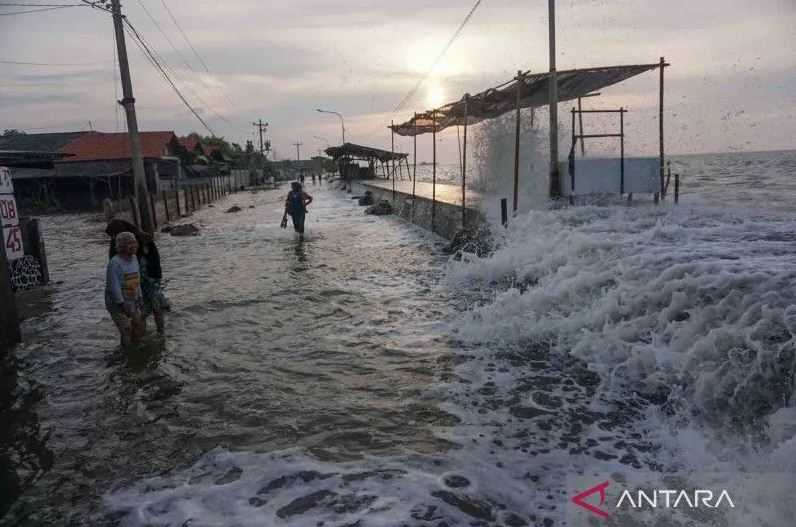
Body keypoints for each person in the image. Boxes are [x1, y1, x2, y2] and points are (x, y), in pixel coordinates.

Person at [106, 219, 166, 336]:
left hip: (148, 277)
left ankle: (159, 333)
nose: (113, 238)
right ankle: (141, 336)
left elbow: (154, 259)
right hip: (133, 282)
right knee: (141, 311)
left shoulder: (141, 238)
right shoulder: (117, 244)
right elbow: (114, 274)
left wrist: (155, 277)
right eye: (112, 236)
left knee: (155, 306)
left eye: (114, 234)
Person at [105, 231, 144, 347]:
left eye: (134, 243)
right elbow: (113, 286)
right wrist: (121, 303)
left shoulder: (135, 258)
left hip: (132, 299)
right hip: (116, 303)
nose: (134, 246)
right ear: (121, 246)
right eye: (129, 243)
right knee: (126, 328)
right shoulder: (115, 263)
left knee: (138, 325)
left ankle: (136, 348)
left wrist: (140, 297)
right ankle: (127, 354)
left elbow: (137, 280)